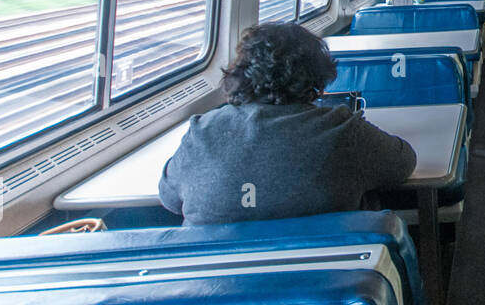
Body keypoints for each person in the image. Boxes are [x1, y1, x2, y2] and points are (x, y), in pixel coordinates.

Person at [158, 22, 416, 225]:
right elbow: (403, 163)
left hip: (214, 283)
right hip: (327, 276)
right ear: (318, 77)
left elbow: (170, 199)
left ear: (240, 72)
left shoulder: (201, 131)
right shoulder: (341, 130)